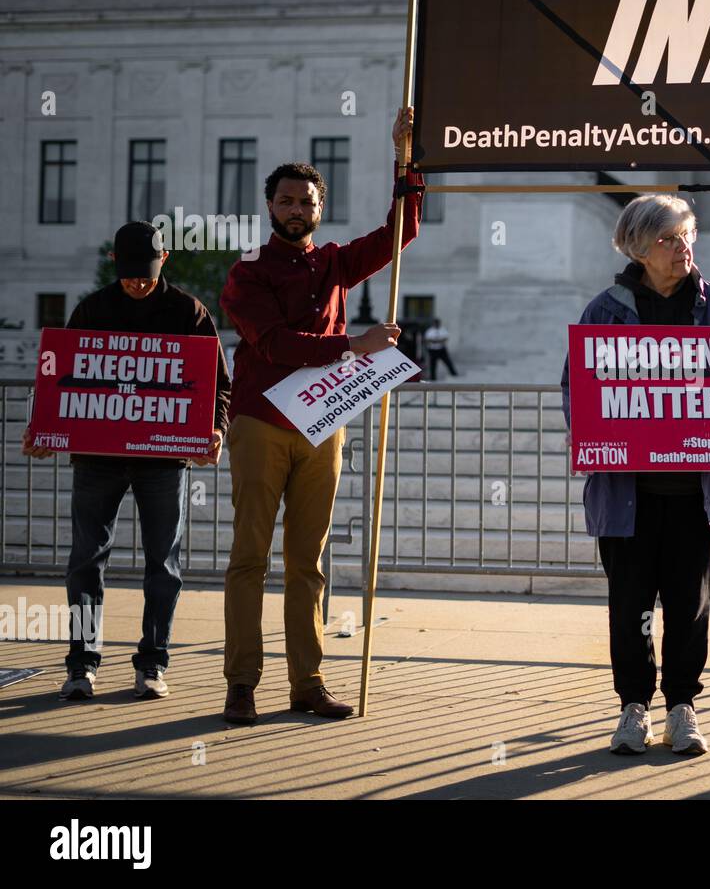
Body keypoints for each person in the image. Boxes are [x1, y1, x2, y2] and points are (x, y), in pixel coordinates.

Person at [217, 107, 423, 725]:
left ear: (317, 207)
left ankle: (307, 685)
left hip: (320, 424)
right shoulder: (246, 272)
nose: (295, 209)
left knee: (308, 562)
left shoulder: (331, 261)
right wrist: (351, 345)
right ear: (269, 205)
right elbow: (272, 344)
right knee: (250, 558)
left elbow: (399, 234)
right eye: (285, 200)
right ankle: (240, 685)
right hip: (259, 421)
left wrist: (405, 162)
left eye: (305, 201)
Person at [560, 195, 710, 756]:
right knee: (629, 607)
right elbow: (575, 389)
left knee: (689, 607)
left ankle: (683, 707)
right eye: (668, 240)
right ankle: (634, 708)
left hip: (696, 495)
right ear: (638, 247)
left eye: (687, 237)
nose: (682, 250)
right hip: (626, 495)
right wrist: (592, 432)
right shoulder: (604, 310)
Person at [22, 221, 231, 701]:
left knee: (164, 565)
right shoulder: (92, 309)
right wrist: (41, 426)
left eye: (149, 274)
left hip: (163, 458)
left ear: (166, 261)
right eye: (132, 275)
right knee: (85, 563)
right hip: (98, 457)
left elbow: (219, 382)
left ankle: (153, 662)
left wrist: (215, 429)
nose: (140, 284)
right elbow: (58, 379)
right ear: (114, 264)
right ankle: (81, 663)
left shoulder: (188, 311)